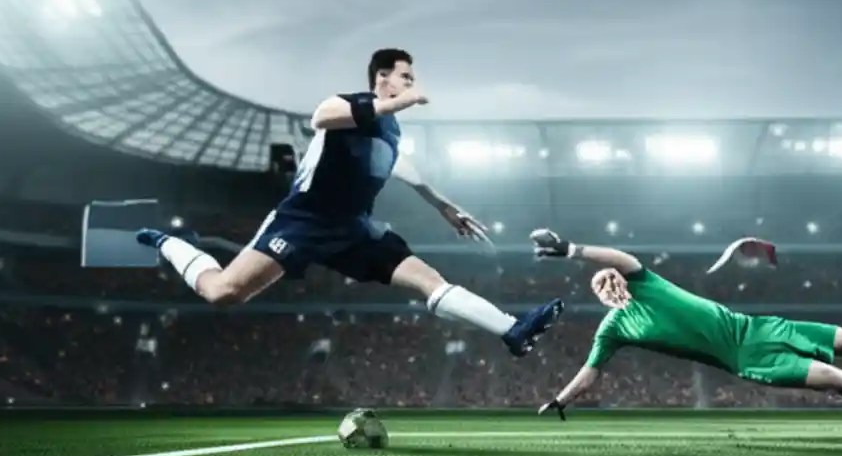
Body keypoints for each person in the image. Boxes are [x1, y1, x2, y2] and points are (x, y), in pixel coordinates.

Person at [136, 49, 563, 356]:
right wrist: (400, 101)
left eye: (412, 81)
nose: (411, 85)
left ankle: (513, 328)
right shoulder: (354, 104)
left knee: (428, 279)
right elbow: (320, 116)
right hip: (302, 221)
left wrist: (443, 206)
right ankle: (171, 243)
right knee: (224, 292)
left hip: (356, 229)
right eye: (405, 78)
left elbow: (403, 168)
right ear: (382, 78)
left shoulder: (392, 133)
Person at [529, 229, 842, 437]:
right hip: (751, 360)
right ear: (600, 297)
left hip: (763, 327)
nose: (609, 281)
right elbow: (590, 373)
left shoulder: (645, 282)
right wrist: (562, 400)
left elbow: (621, 257)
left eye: (609, 275)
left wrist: (572, 249)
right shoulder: (615, 328)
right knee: (839, 381)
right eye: (601, 283)